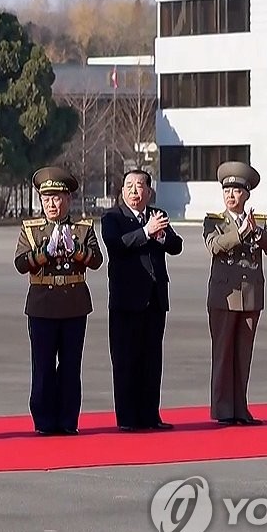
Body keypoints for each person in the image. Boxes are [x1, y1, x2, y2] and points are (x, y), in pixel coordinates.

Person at [13, 167, 103, 436]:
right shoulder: (31, 230)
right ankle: (43, 420)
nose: (51, 204)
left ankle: (67, 420)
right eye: (46, 198)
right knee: (42, 365)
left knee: (70, 366)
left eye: (57, 198)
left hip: (74, 305)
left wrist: (76, 250)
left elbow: (96, 260)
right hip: (42, 305)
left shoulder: (82, 228)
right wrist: (44, 253)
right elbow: (20, 263)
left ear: (68, 199)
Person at [101, 168, 183, 432]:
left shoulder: (158, 215)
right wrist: (147, 232)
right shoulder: (112, 217)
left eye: (139, 186)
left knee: (151, 360)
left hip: (154, 299)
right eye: (129, 186)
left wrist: (162, 235)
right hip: (126, 300)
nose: (134, 191)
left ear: (149, 191)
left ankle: (150, 415)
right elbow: (117, 244)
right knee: (126, 360)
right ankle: (127, 418)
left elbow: (176, 245)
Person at [202, 161, 267, 426]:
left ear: (246, 194)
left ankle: (240, 408)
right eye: (227, 191)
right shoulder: (213, 221)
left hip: (250, 295)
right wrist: (240, 232)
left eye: (236, 191)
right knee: (223, 354)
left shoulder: (258, 222)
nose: (231, 196)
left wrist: (256, 232)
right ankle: (223, 409)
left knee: (243, 355)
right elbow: (214, 246)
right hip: (224, 295)